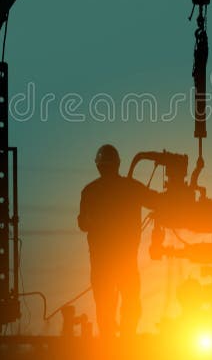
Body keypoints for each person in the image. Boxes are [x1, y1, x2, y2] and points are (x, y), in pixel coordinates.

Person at [78, 144, 160, 338]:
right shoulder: (130, 188)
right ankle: (125, 344)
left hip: (101, 262)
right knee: (130, 302)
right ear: (118, 164)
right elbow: (157, 201)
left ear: (98, 166)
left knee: (105, 305)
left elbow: (83, 223)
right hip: (125, 260)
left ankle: (109, 346)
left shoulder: (90, 191)